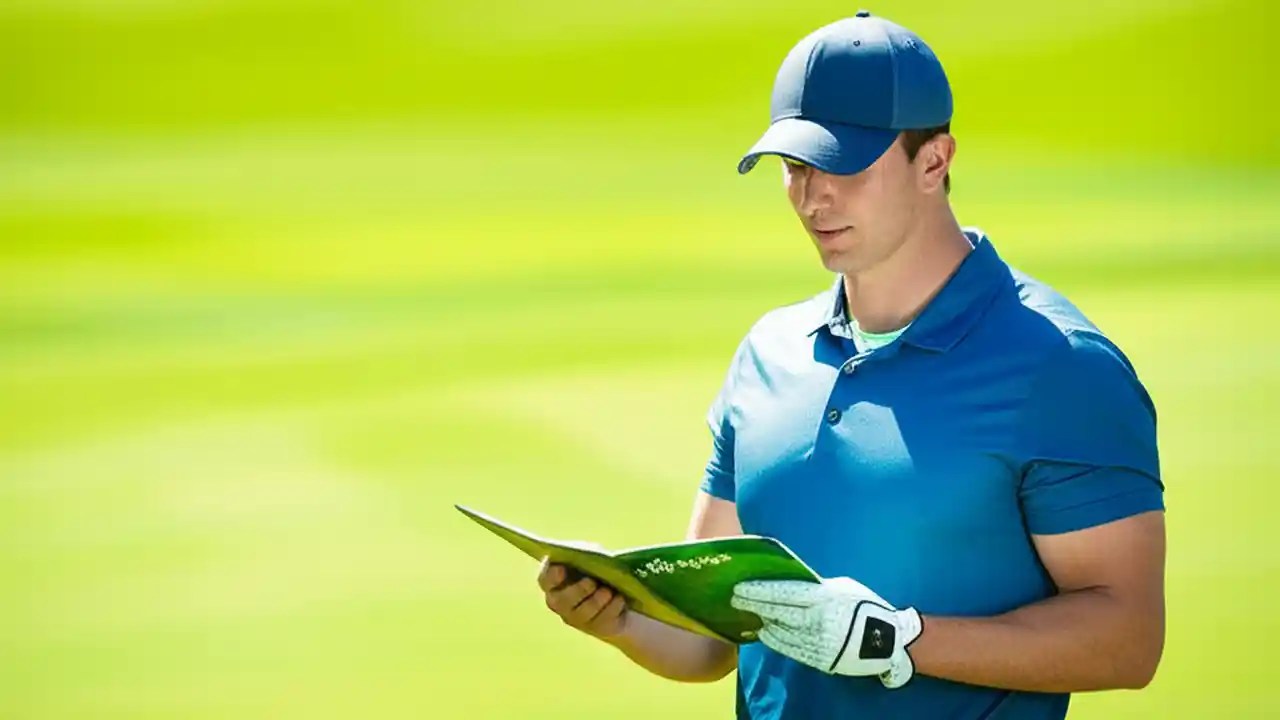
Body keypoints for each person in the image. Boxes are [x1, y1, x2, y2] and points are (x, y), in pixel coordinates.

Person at [537, 9, 1165, 719]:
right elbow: (715, 639)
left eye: (845, 164)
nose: (813, 197)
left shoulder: (1060, 367)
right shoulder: (768, 355)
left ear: (935, 161)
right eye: (797, 167)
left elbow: (1128, 639)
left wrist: (897, 641)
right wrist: (621, 615)